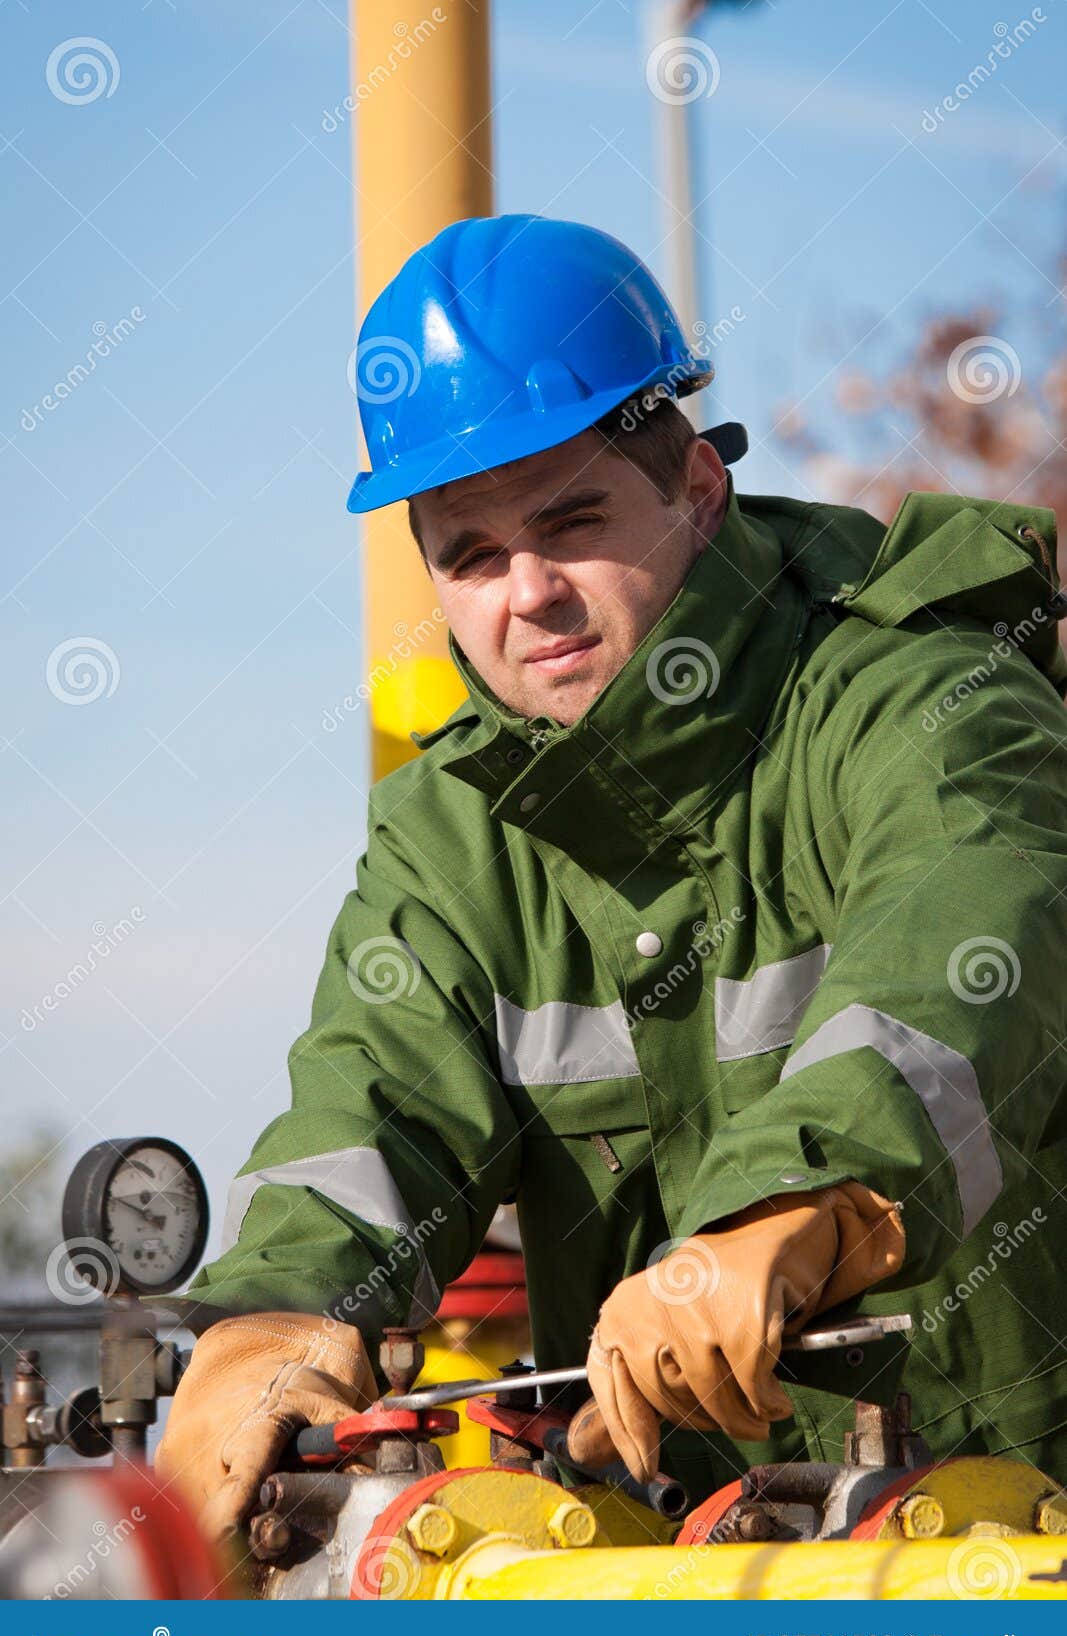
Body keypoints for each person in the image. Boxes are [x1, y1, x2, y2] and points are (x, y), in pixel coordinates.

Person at [155, 213, 1067, 1541]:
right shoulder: (454, 833)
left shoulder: (922, 699)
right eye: (468, 554)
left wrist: (797, 1207)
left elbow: (978, 935)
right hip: (689, 1570)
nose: (526, 592)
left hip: (1015, 1529)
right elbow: (375, 1108)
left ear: (698, 490)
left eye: (572, 522)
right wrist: (269, 1321)